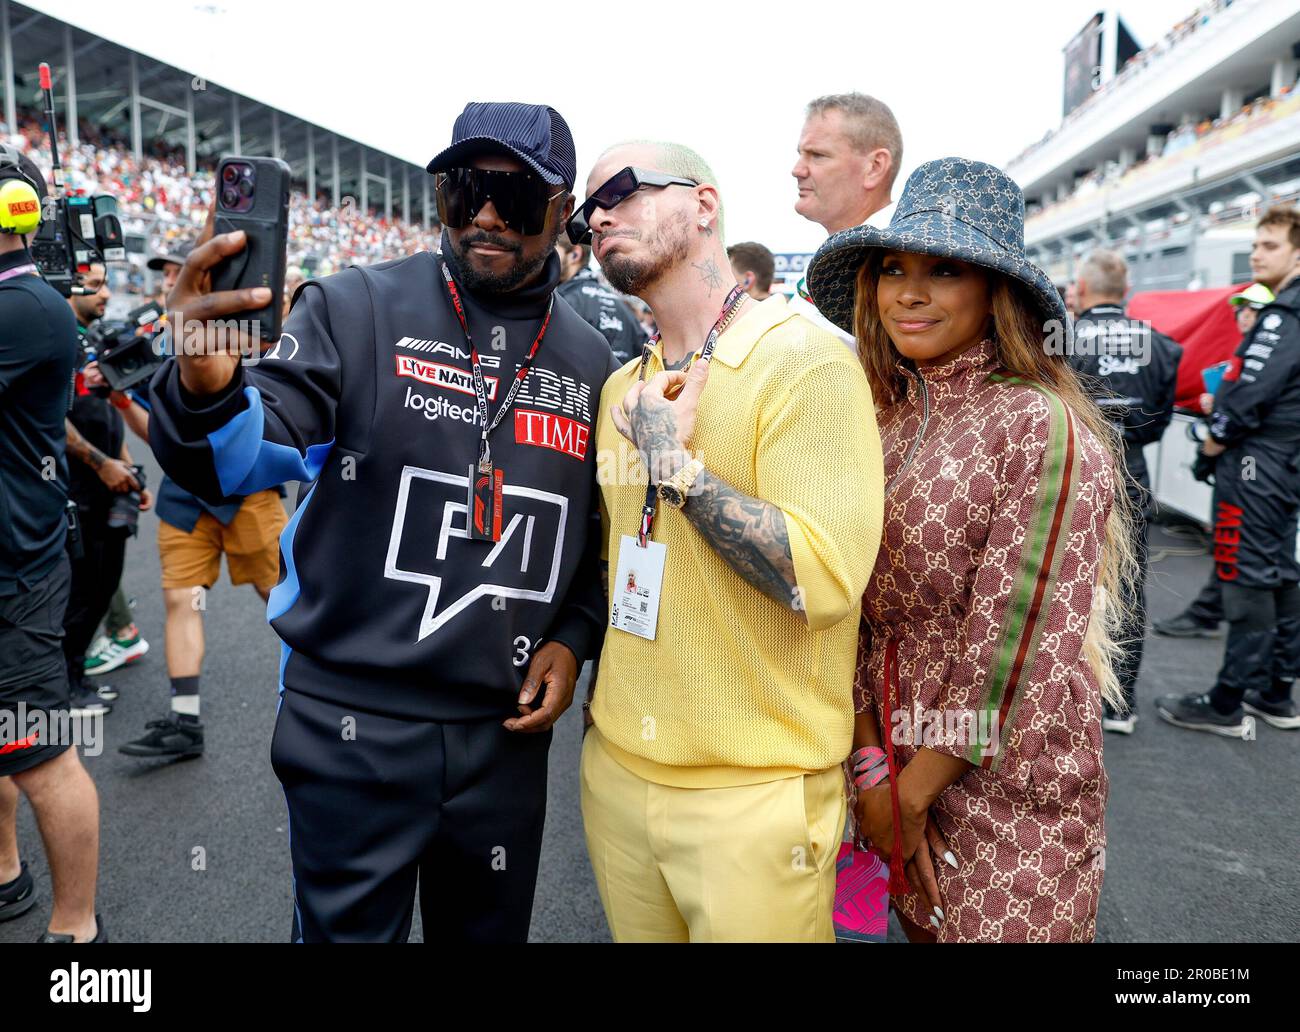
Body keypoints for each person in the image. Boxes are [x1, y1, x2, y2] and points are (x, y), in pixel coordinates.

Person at [149, 101, 614, 942]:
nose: (481, 215)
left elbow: (597, 529)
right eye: (464, 189)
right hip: (352, 730)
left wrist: (577, 632)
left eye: (512, 200)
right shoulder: (354, 306)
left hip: (503, 737)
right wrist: (205, 391)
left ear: (560, 212)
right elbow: (240, 461)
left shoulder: (591, 358)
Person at [806, 157, 1130, 942]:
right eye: (893, 268)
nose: (907, 293)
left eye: (944, 270)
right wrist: (873, 771)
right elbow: (845, 604)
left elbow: (1017, 644)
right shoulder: (875, 414)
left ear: (997, 292)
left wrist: (910, 797)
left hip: (1006, 791)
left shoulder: (1039, 425)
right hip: (887, 768)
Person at [578, 140, 884, 942]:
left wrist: (673, 468)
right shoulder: (623, 384)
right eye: (587, 209)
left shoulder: (805, 359)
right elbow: (619, 565)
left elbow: (821, 581)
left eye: (620, 190)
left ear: (704, 205)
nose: (599, 214)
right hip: (618, 769)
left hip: (755, 792)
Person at [0, 143, 106, 942]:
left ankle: (78, 932)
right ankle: (4, 872)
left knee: (41, 754)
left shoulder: (27, 309)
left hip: (17, 572)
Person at [1158, 207, 1300, 734]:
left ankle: (1226, 701)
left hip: (1255, 467)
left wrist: (1213, 443)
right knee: (1280, 573)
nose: (1257, 253)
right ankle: (1276, 693)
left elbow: (1242, 398)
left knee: (1247, 577)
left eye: (1268, 245)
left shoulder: (1283, 318)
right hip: (1281, 466)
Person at [1069, 249, 1181, 733]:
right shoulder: (1162, 344)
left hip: (1075, 467)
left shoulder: (1064, 339)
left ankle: (1069, 700)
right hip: (1133, 468)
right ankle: (1119, 703)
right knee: (1128, 580)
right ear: (1125, 291)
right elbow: (1160, 421)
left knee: (1069, 577)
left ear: (1085, 288)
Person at [1154, 283, 1274, 640]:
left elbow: (1249, 413)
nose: (1246, 316)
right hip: (1241, 463)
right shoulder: (1248, 354)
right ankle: (1211, 612)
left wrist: (1215, 435)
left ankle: (1217, 617)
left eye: (1255, 310)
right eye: (1242, 310)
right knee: (1232, 539)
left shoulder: (1270, 357)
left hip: (1250, 466)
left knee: (1238, 541)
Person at [62, 262, 153, 716]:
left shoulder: (94, 339)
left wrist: (130, 472)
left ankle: (73, 677)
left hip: (108, 486)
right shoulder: (56, 337)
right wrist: (102, 466)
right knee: (79, 592)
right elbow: (50, 419)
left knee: (103, 586)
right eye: (93, 285)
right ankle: (64, 687)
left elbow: (110, 416)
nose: (103, 294)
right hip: (75, 488)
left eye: (105, 285)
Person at [791, 93, 903, 344]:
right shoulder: (836, 256)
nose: (797, 170)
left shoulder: (902, 261)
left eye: (817, 155)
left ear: (875, 167)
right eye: (801, 154)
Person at [554, 239, 643, 364]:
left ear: (575, 255)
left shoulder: (561, 303)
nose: (548, 258)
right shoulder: (622, 307)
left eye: (554, 250)